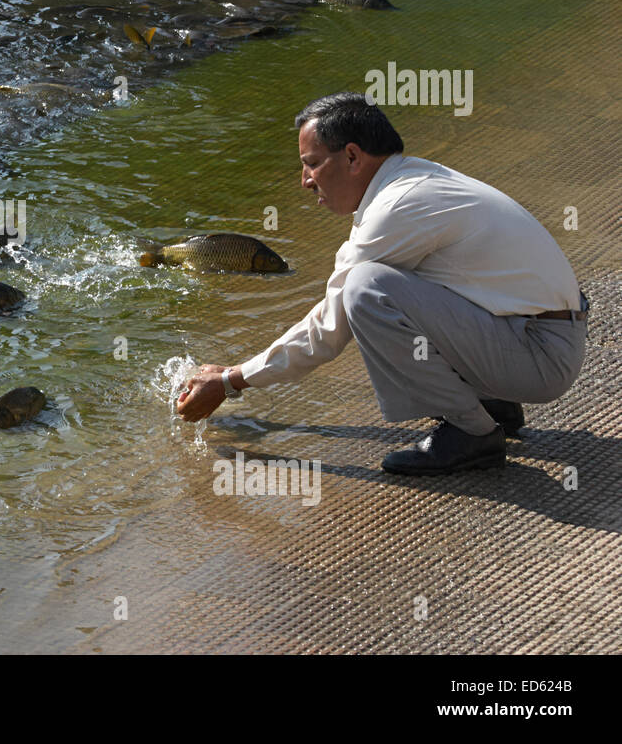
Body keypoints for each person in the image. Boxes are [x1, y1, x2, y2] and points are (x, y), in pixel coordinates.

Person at [174, 92, 588, 475]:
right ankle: (489, 406)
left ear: (352, 156)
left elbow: (327, 330)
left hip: (539, 356)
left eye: (312, 162)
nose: (305, 180)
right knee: (388, 281)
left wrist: (231, 381)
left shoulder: (396, 207)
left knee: (365, 288)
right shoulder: (413, 181)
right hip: (540, 338)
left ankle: (474, 434)